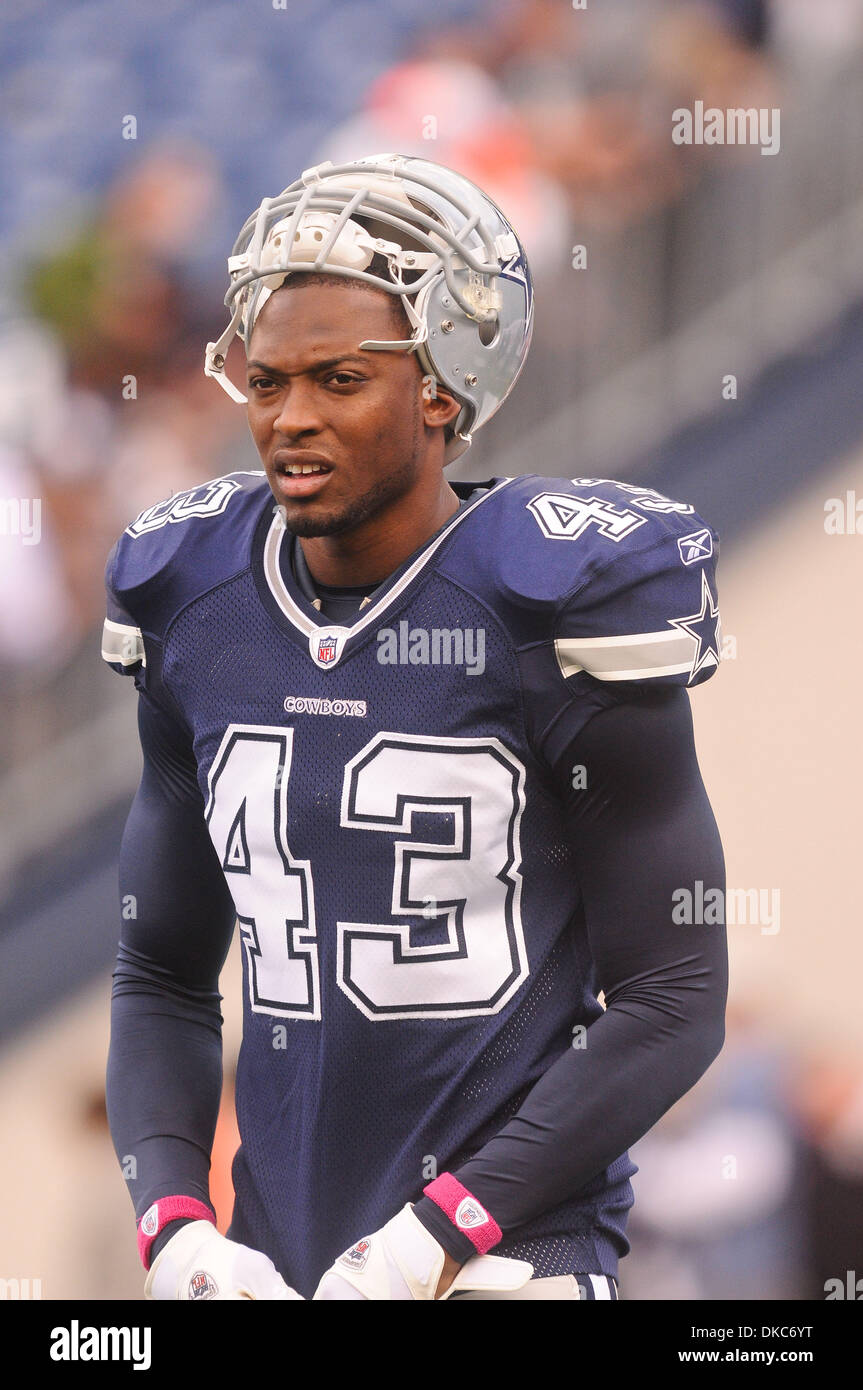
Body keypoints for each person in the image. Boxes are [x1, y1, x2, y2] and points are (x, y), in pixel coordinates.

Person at [102, 153, 727, 1301]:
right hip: (273, 1264)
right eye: (267, 380)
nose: (290, 419)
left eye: (340, 379)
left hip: (503, 1267)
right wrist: (177, 1227)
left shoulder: (551, 597)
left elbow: (673, 995)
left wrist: (437, 1234)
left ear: (442, 389)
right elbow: (159, 972)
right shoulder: (192, 593)